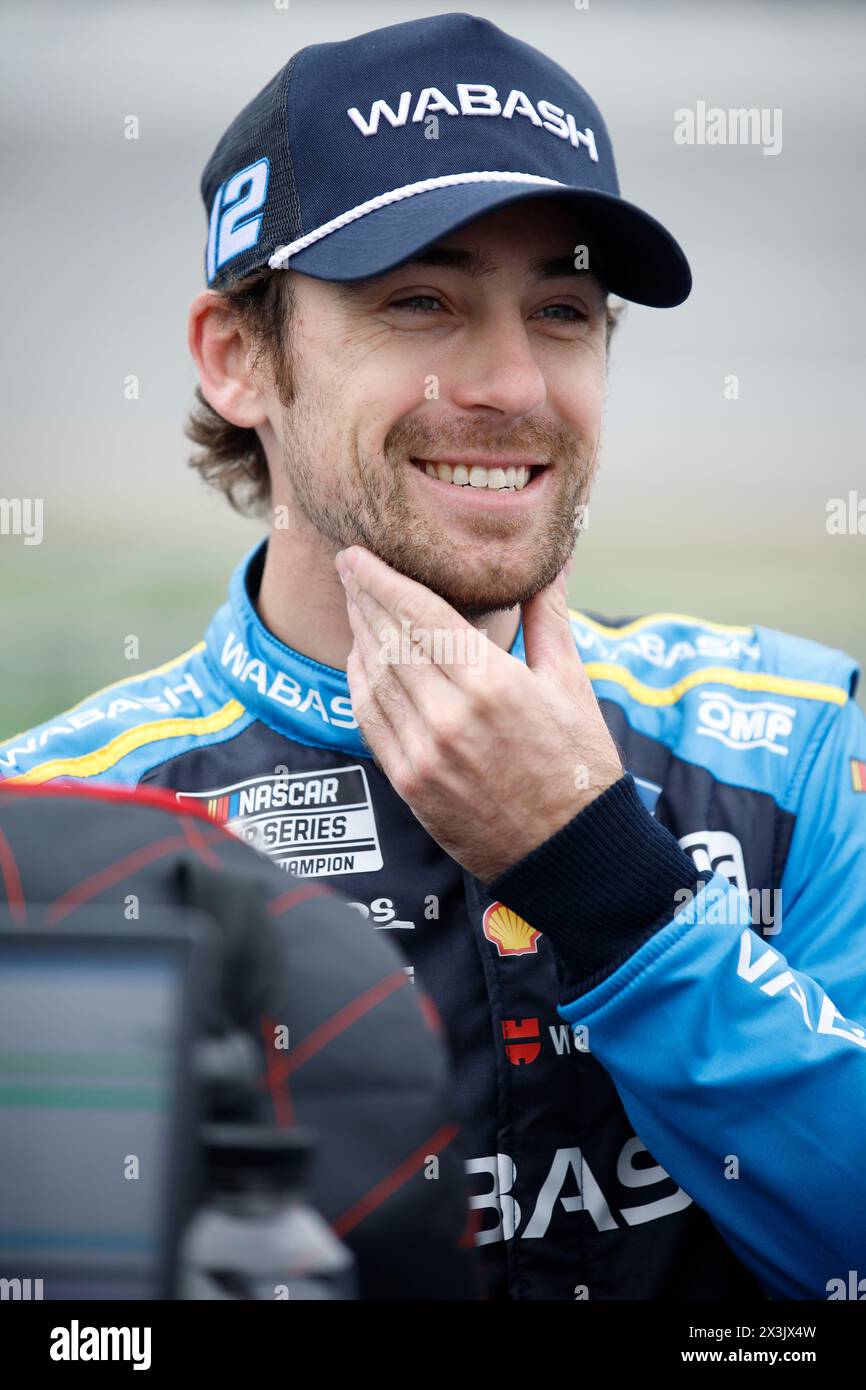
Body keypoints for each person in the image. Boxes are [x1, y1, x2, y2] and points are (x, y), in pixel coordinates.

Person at [2, 13, 864, 1300]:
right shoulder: (55, 823)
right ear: (239, 357)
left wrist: (608, 887)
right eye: (420, 299)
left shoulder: (796, 747)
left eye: (563, 309)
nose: (513, 380)